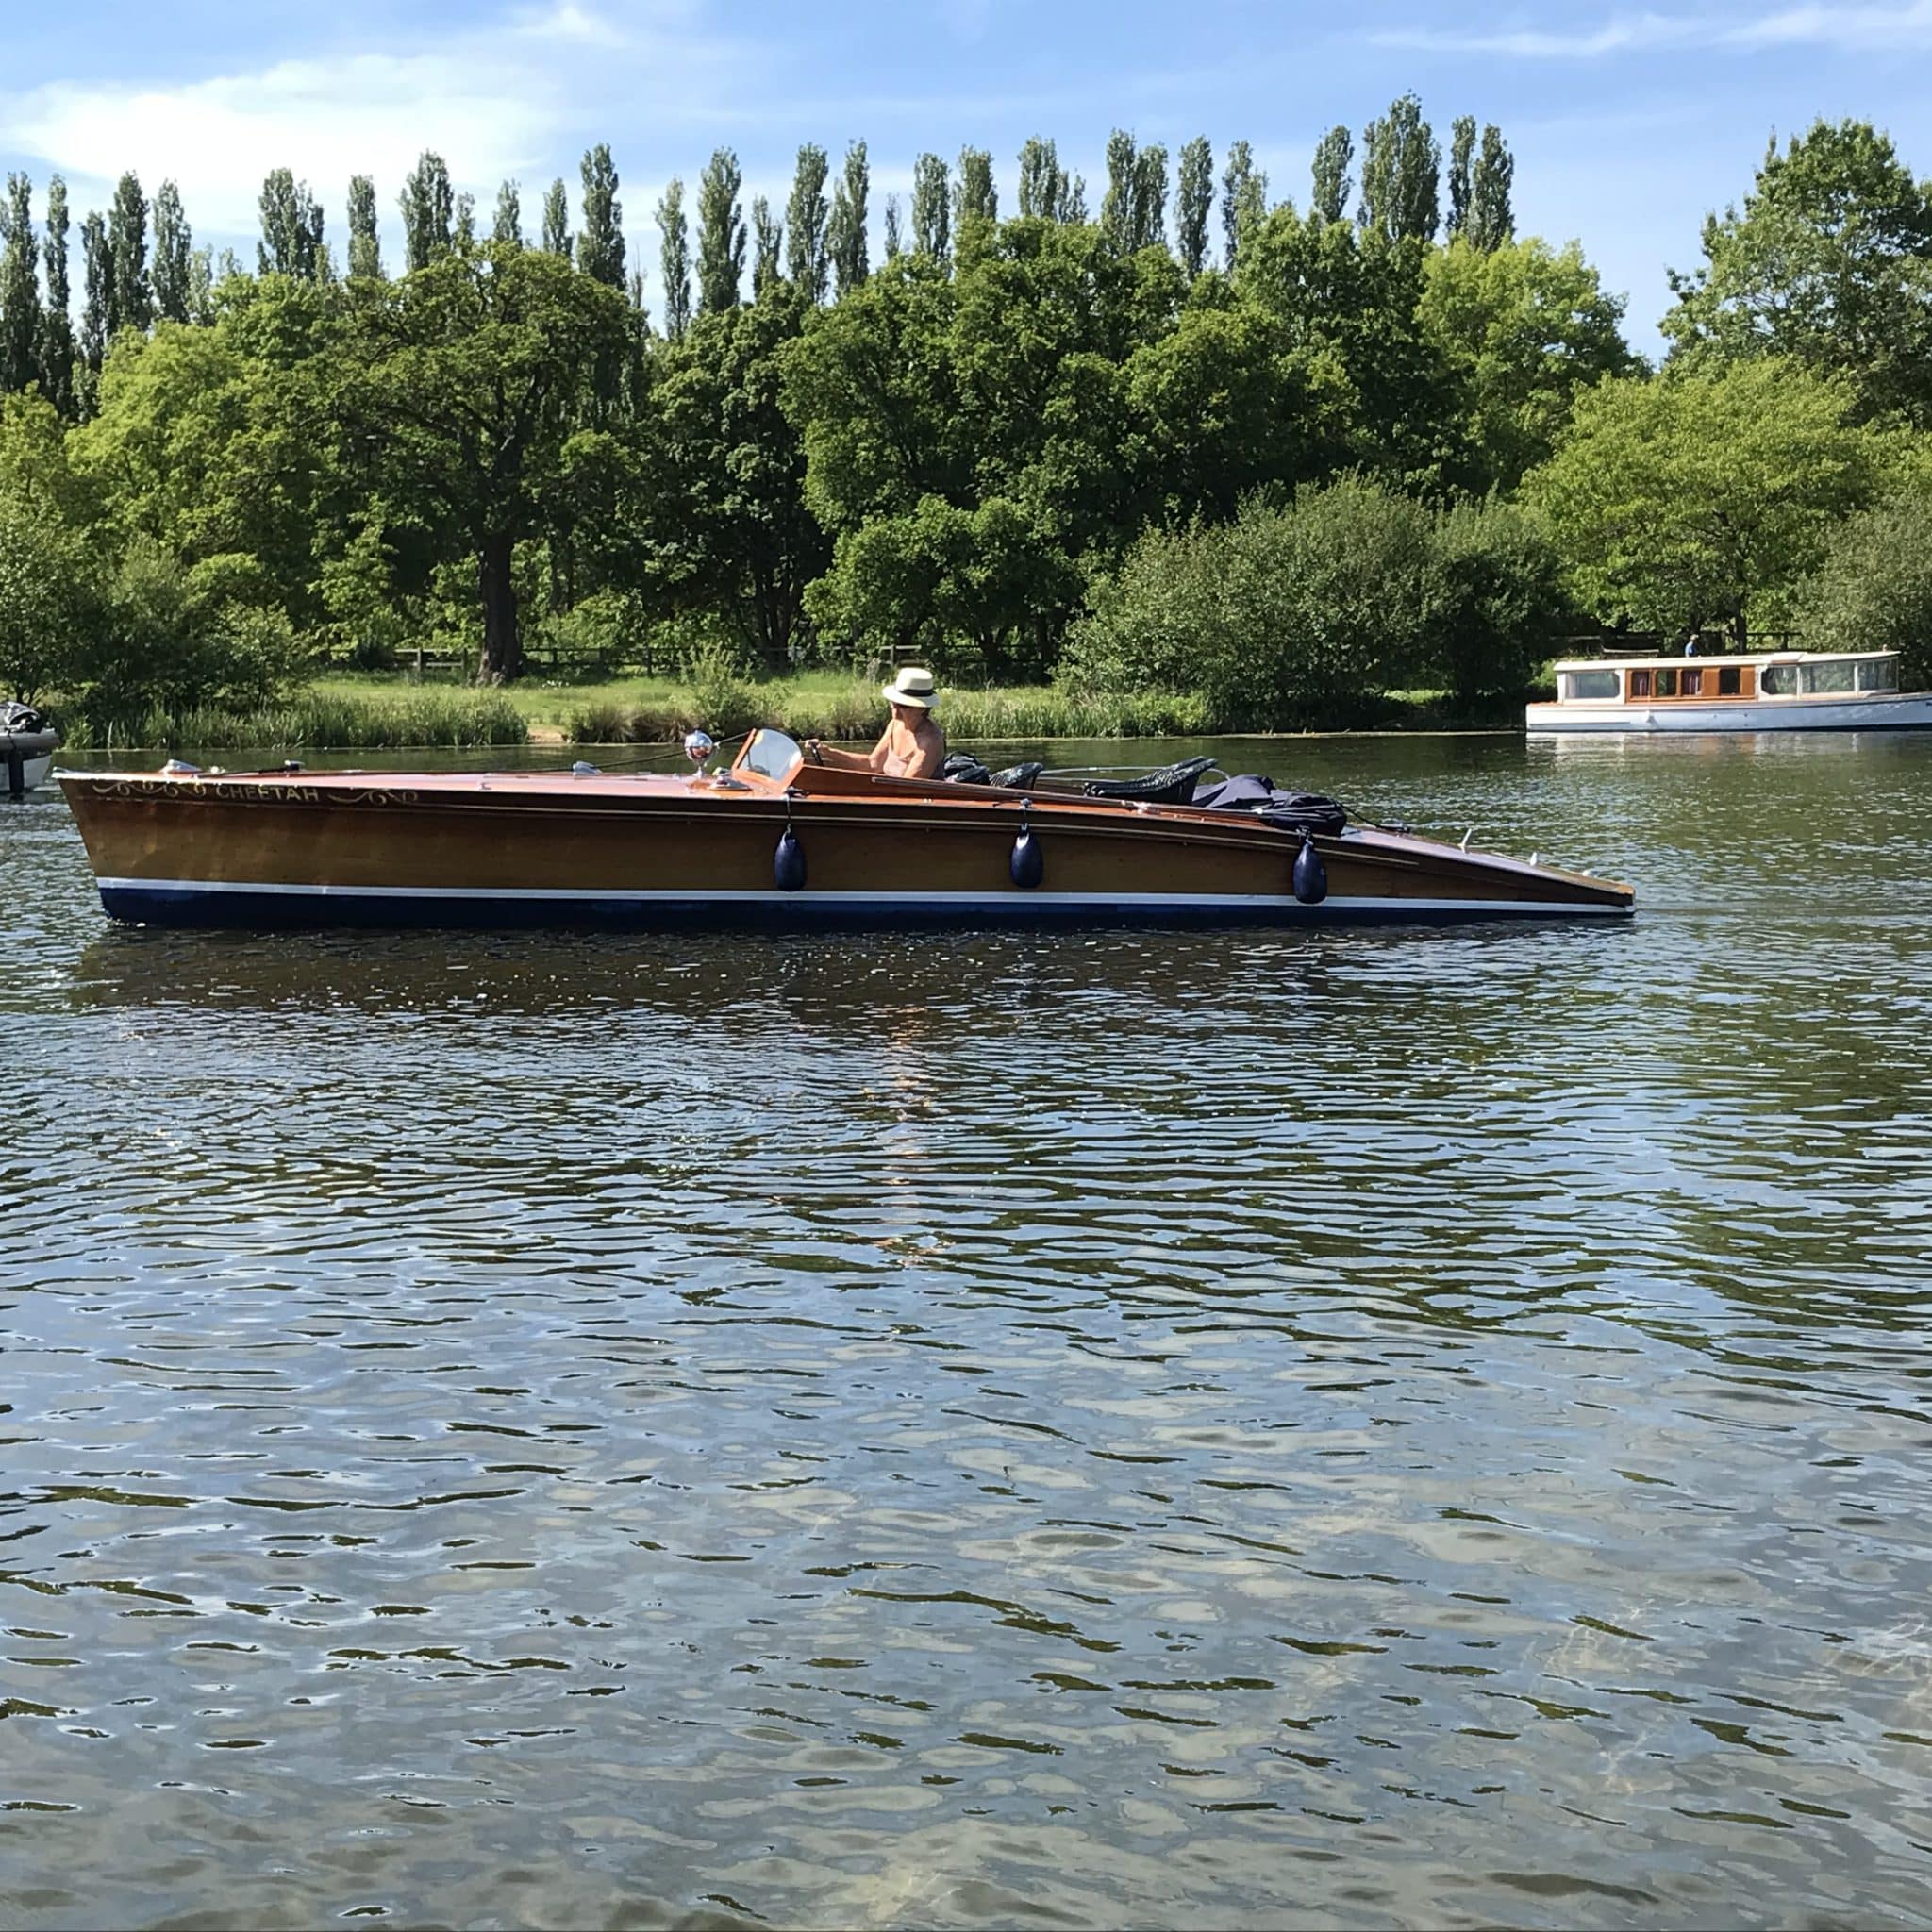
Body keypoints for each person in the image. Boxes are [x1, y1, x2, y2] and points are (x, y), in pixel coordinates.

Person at [805, 667, 948, 779]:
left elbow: (907, 787)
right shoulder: (894, 725)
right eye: (894, 703)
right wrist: (827, 751)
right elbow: (872, 765)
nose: (896, 711)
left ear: (921, 709)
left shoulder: (931, 742)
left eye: (904, 706)